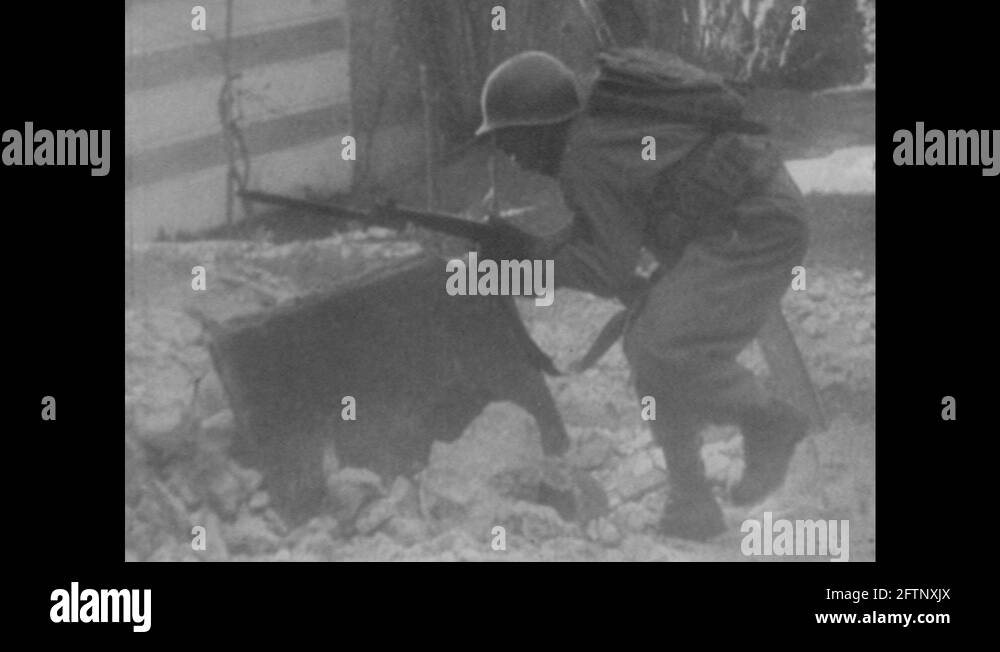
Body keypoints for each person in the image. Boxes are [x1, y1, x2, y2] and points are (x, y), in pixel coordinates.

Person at [476, 50, 811, 540]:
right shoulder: (593, 136)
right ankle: (691, 504)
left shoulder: (583, 154)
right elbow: (605, 231)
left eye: (509, 138)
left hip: (754, 226)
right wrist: (533, 249)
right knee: (648, 345)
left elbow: (607, 268)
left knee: (661, 346)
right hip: (732, 224)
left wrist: (524, 265)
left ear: (540, 126)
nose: (509, 154)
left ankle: (769, 420)